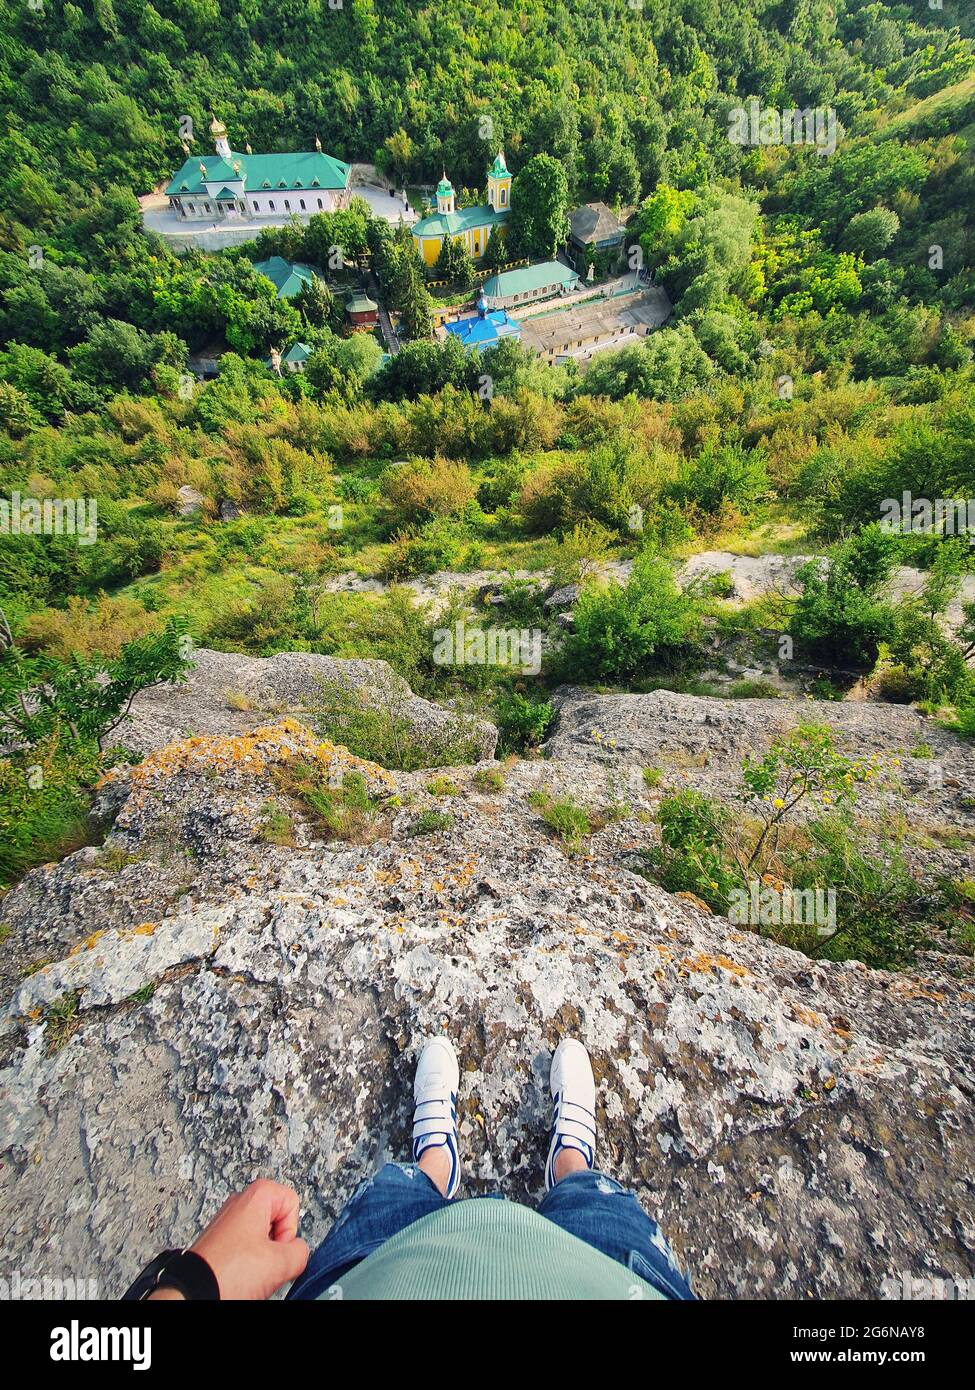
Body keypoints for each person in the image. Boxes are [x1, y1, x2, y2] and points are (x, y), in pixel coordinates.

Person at [127, 1038, 695, 1301]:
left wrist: (194, 1286)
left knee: (391, 1193)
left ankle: (434, 1163)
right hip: (618, 1280)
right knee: (597, 1202)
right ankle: (571, 1162)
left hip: (373, 1280)